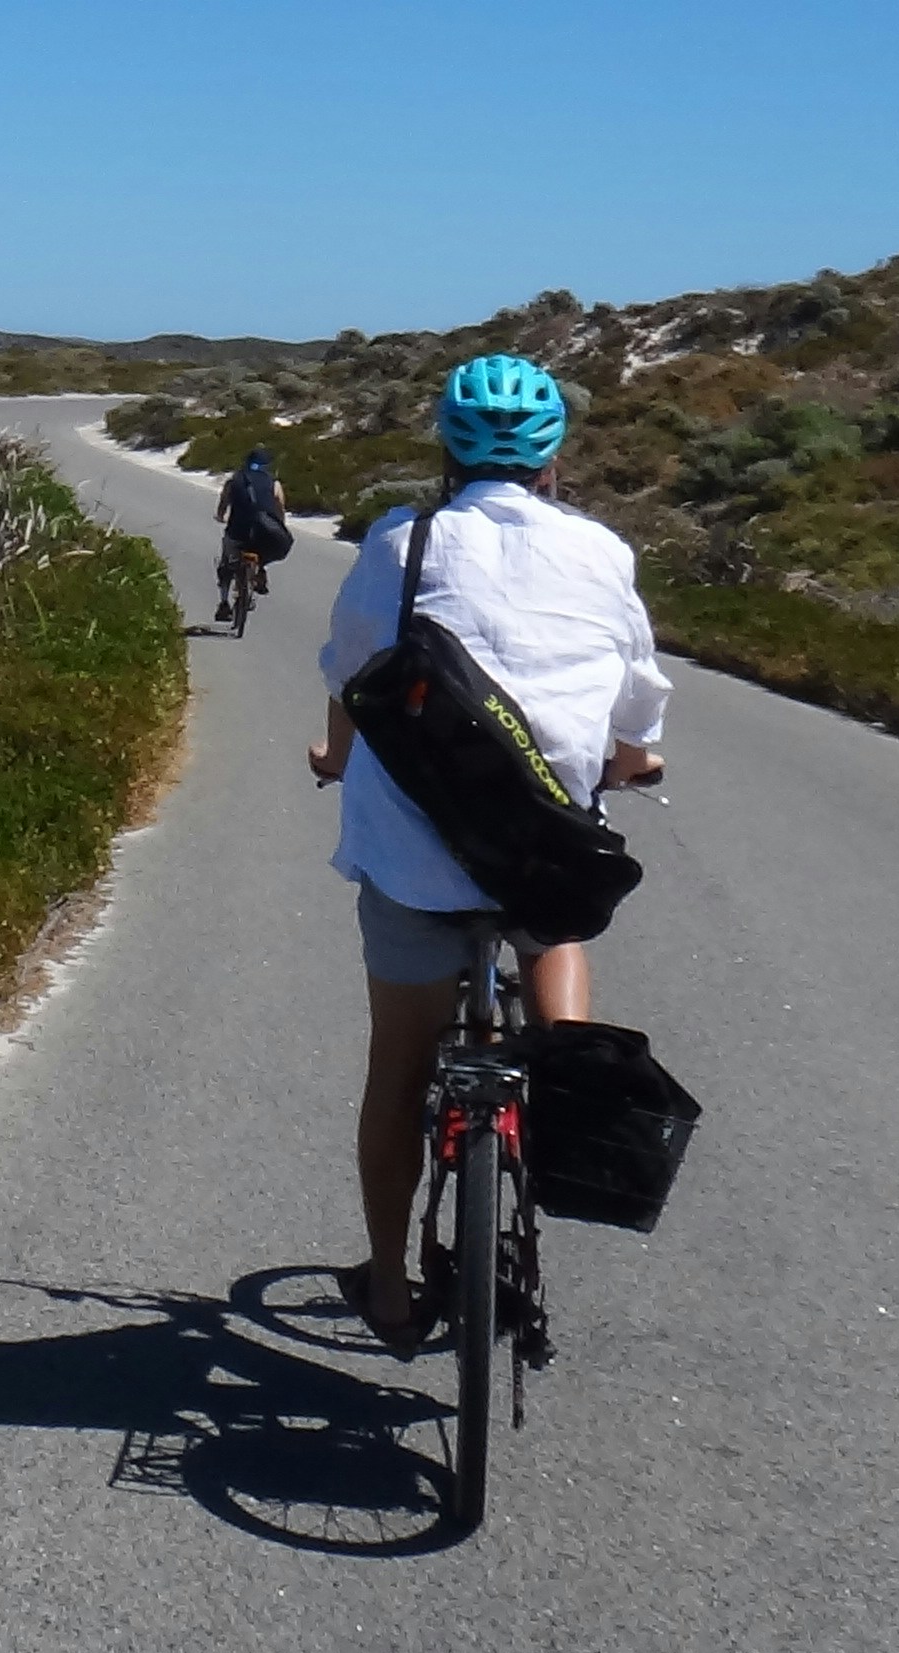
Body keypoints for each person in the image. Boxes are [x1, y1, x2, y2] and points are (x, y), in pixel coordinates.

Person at [304, 353, 668, 1355]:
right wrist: (634, 761)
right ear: (555, 454)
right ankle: (565, 1070)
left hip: (416, 855)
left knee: (398, 1069)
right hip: (541, 854)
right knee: (555, 922)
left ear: (444, 446)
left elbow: (352, 672)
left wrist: (336, 758)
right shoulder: (600, 555)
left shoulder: (401, 544)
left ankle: (388, 1288)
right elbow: (634, 699)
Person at [213, 447, 291, 626]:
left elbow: (224, 503)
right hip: (265, 532)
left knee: (227, 563)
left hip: (237, 531)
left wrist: (220, 516)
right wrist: (279, 523)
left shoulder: (234, 481)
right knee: (264, 549)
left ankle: (224, 602)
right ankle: (260, 569)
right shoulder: (274, 483)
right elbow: (280, 507)